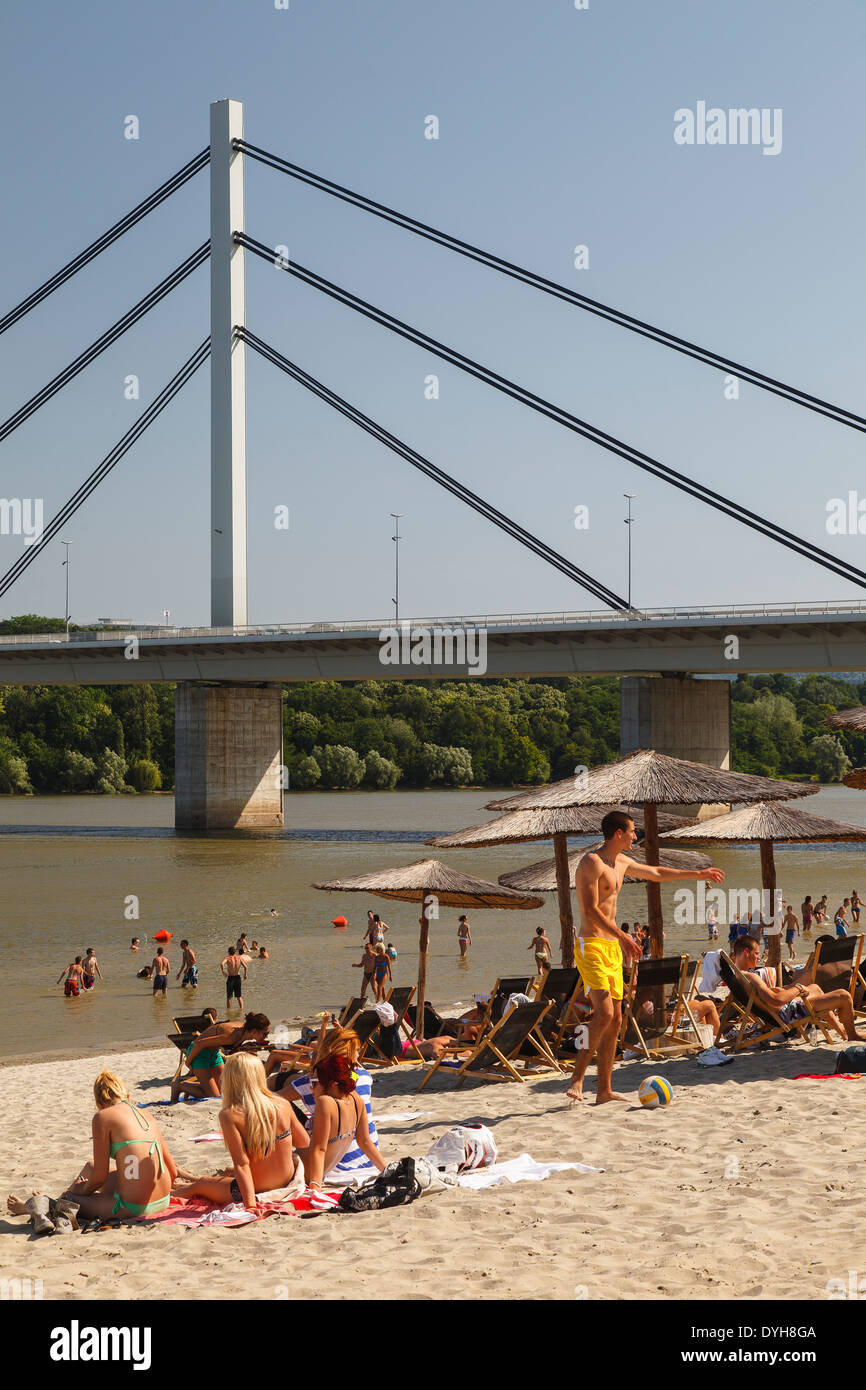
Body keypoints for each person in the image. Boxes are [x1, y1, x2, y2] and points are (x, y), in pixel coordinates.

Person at [566, 809, 724, 1105]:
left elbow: (656, 873)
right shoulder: (591, 862)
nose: (635, 836)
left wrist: (698, 874)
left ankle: (603, 1091)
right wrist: (624, 935)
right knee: (606, 1015)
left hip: (612, 949)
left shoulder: (622, 861)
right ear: (618, 834)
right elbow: (590, 911)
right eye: (631, 831)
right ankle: (577, 1077)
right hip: (592, 946)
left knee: (615, 1022)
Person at [22, 1070, 177, 1222]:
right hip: (164, 1200)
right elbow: (173, 1172)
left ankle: (32, 1207)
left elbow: (99, 1177)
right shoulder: (146, 1115)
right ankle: (59, 1198)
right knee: (90, 1167)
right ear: (127, 1096)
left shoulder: (102, 1117)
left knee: (67, 1198)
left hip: (134, 1207)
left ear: (99, 1103)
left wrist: (80, 1190)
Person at [172, 1054, 307, 1211]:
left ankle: (168, 1194)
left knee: (200, 1184)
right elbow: (304, 1142)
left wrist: (250, 1205)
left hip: (258, 1188)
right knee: (229, 1172)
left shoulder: (230, 1115)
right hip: (287, 1180)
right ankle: (187, 1180)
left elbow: (242, 1164)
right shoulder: (282, 1103)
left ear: (229, 1079)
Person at [731, 935, 866, 1041]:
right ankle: (852, 1034)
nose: (759, 957)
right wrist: (798, 988)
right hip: (786, 1013)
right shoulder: (750, 976)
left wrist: (784, 989)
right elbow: (776, 1000)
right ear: (746, 952)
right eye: (756, 953)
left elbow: (767, 998)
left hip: (779, 1011)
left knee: (815, 987)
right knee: (843, 995)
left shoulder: (737, 976)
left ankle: (842, 1032)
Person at [302, 1054, 387, 1195]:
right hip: (320, 1169)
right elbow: (366, 1142)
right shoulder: (355, 1099)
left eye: (314, 1082)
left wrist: (315, 1188)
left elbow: (319, 1149)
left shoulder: (325, 1102)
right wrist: (387, 1170)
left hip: (299, 1169)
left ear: (332, 1083)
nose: (311, 1088)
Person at [171, 1011, 271, 1101]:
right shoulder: (231, 1036)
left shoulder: (245, 1031)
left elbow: (232, 1049)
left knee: (224, 1090)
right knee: (213, 1096)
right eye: (265, 1033)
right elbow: (200, 1043)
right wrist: (189, 1063)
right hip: (199, 1053)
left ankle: (193, 1087)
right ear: (254, 1031)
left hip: (214, 1054)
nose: (267, 1036)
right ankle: (179, 1086)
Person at [222, 944, 248, 1011]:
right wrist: (245, 975)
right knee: (239, 996)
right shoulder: (239, 958)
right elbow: (246, 967)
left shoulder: (227, 958)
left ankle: (229, 1012)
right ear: (235, 952)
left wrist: (223, 971)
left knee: (229, 997)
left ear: (228, 952)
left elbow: (221, 964)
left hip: (231, 978)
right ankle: (241, 1010)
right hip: (238, 978)